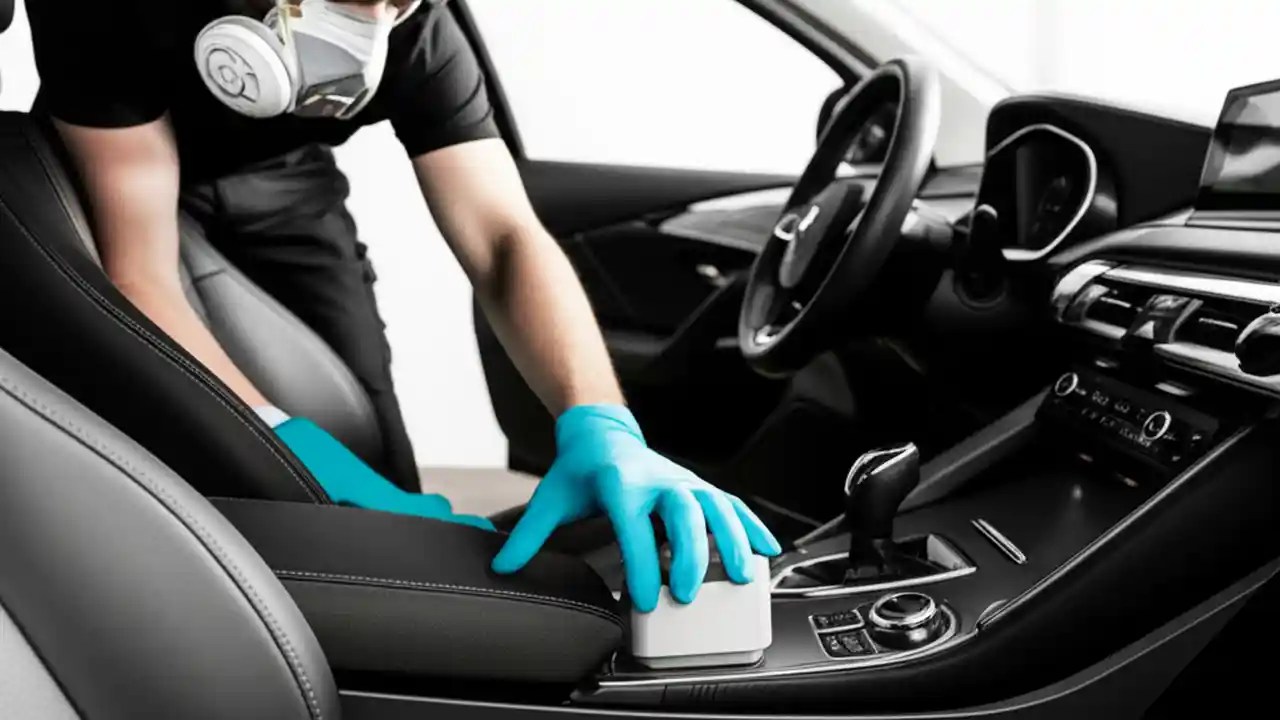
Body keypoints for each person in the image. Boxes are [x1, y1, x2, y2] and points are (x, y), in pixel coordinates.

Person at [24, 0, 780, 611]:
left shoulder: (419, 29)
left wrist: (598, 420)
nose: (380, 24)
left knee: (379, 470)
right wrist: (286, 439)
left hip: (293, 191)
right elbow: (142, 270)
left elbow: (503, 235)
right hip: (129, 175)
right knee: (242, 457)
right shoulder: (108, 11)